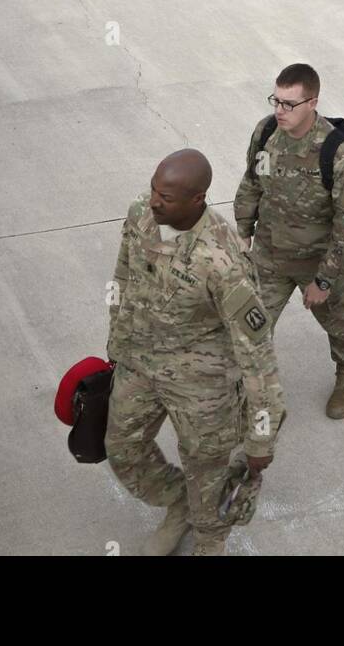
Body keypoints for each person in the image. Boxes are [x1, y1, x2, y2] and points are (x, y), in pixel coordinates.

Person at [105, 150, 285, 557]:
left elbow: (257, 353)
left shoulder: (223, 259)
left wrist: (261, 436)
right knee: (122, 448)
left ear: (197, 199)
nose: (153, 201)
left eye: (165, 198)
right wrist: (116, 339)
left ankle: (209, 539)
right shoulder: (140, 215)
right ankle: (179, 504)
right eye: (153, 189)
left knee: (207, 470)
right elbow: (122, 275)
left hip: (201, 384)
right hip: (140, 361)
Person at [235, 64, 344, 420]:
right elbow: (251, 182)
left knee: (342, 325)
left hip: (321, 261)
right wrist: (242, 230)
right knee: (247, 328)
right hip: (270, 255)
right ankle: (250, 394)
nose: (279, 110)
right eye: (276, 100)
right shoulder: (266, 132)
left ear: (313, 103)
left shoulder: (340, 154)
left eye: (289, 104)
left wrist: (324, 280)